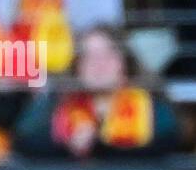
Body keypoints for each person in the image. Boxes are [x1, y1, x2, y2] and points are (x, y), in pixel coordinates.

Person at [14, 25, 183, 157]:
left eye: (108, 54)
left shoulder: (149, 105)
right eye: (89, 56)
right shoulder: (57, 104)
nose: (98, 64)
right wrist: (68, 146)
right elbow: (23, 139)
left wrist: (99, 146)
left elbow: (169, 142)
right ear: (77, 67)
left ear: (124, 63)